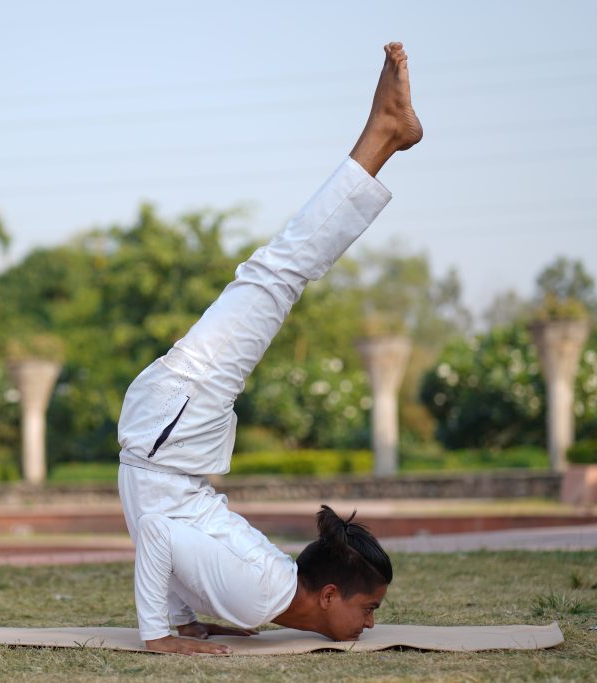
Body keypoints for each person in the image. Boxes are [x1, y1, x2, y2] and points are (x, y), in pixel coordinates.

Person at [116, 42, 423, 656]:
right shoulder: (260, 594)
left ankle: (385, 135)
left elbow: (166, 532)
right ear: (330, 595)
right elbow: (163, 532)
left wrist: (177, 624)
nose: (369, 624)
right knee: (277, 273)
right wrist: (163, 631)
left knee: (278, 274)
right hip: (171, 434)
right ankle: (383, 136)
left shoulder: (261, 596)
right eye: (368, 609)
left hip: (170, 437)